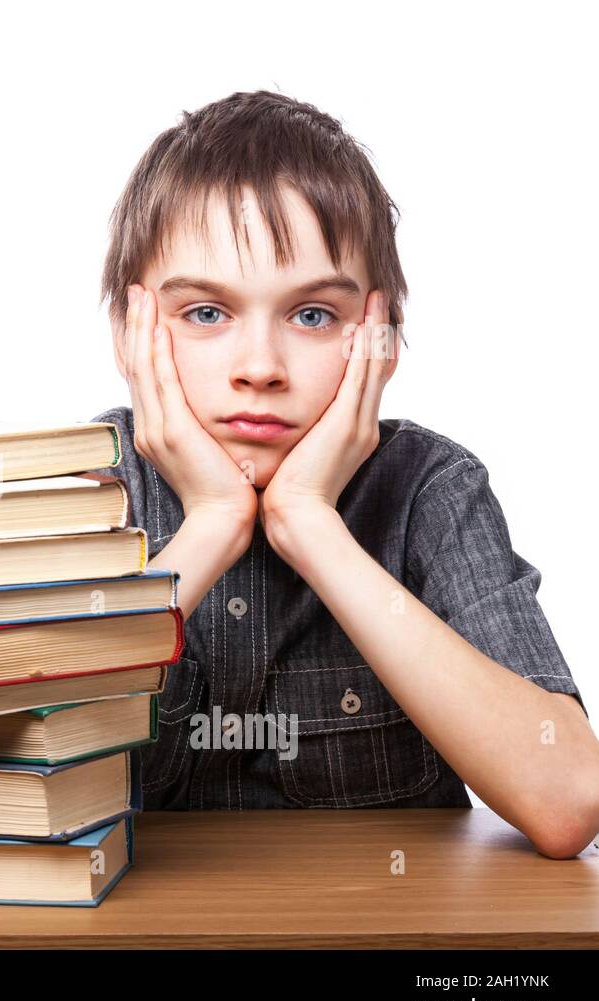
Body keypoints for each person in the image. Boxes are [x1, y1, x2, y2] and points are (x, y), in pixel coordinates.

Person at [89, 90, 598, 858]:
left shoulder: (432, 489)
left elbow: (568, 800)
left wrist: (311, 524)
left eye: (313, 316)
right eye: (205, 313)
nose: (259, 368)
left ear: (379, 338)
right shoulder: (80, 487)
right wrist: (209, 530)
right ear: (132, 336)